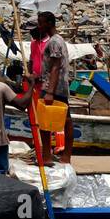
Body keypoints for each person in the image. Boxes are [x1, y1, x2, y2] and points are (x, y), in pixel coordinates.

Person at [37, 12, 73, 165]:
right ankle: (64, 156)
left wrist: (50, 92)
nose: (39, 26)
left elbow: (56, 67)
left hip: (53, 88)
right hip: (59, 87)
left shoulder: (54, 42)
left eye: (41, 23)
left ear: (49, 23)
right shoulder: (58, 40)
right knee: (66, 121)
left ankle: (47, 156)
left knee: (46, 123)